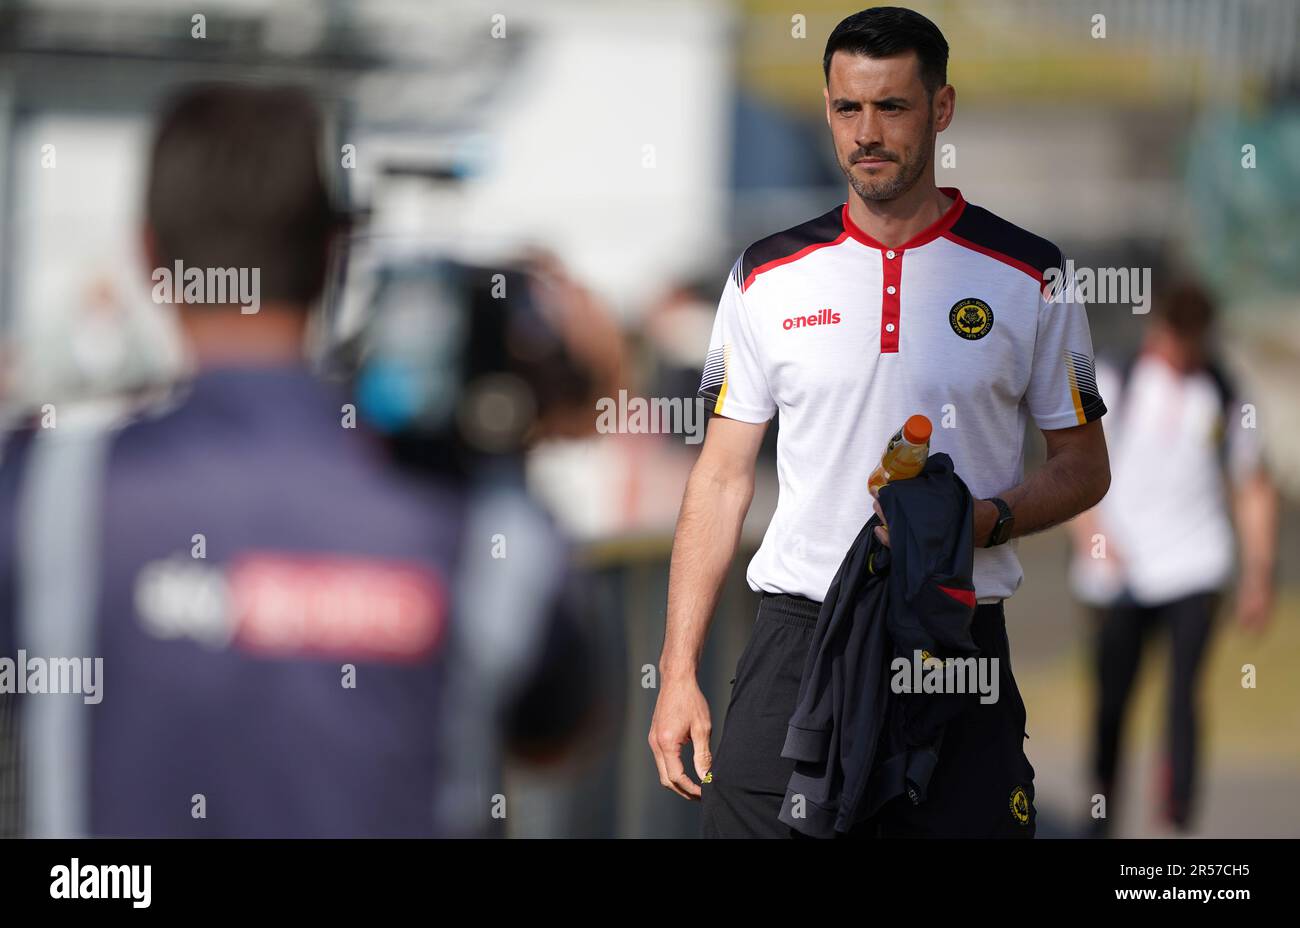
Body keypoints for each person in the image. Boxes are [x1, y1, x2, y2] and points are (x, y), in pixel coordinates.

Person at [0, 83, 592, 837]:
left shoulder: (48, 492)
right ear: (334, 258)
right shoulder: (478, 518)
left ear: (149, 255)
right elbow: (558, 728)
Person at [647, 6, 1111, 838]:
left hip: (953, 636)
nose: (867, 132)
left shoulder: (1031, 274)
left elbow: (1085, 464)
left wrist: (982, 523)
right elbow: (718, 480)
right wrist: (676, 670)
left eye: (892, 106)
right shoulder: (763, 276)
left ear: (941, 109)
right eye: (847, 108)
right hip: (796, 637)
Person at [1068, 278, 1278, 836]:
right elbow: (1071, 463)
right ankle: (1101, 812)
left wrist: (1258, 574)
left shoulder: (1225, 392)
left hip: (1196, 566)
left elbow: (1253, 486)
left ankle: (1175, 824)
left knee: (1183, 695)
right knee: (1113, 699)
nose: (1179, 351)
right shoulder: (1115, 377)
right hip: (1117, 575)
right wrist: (1093, 535)